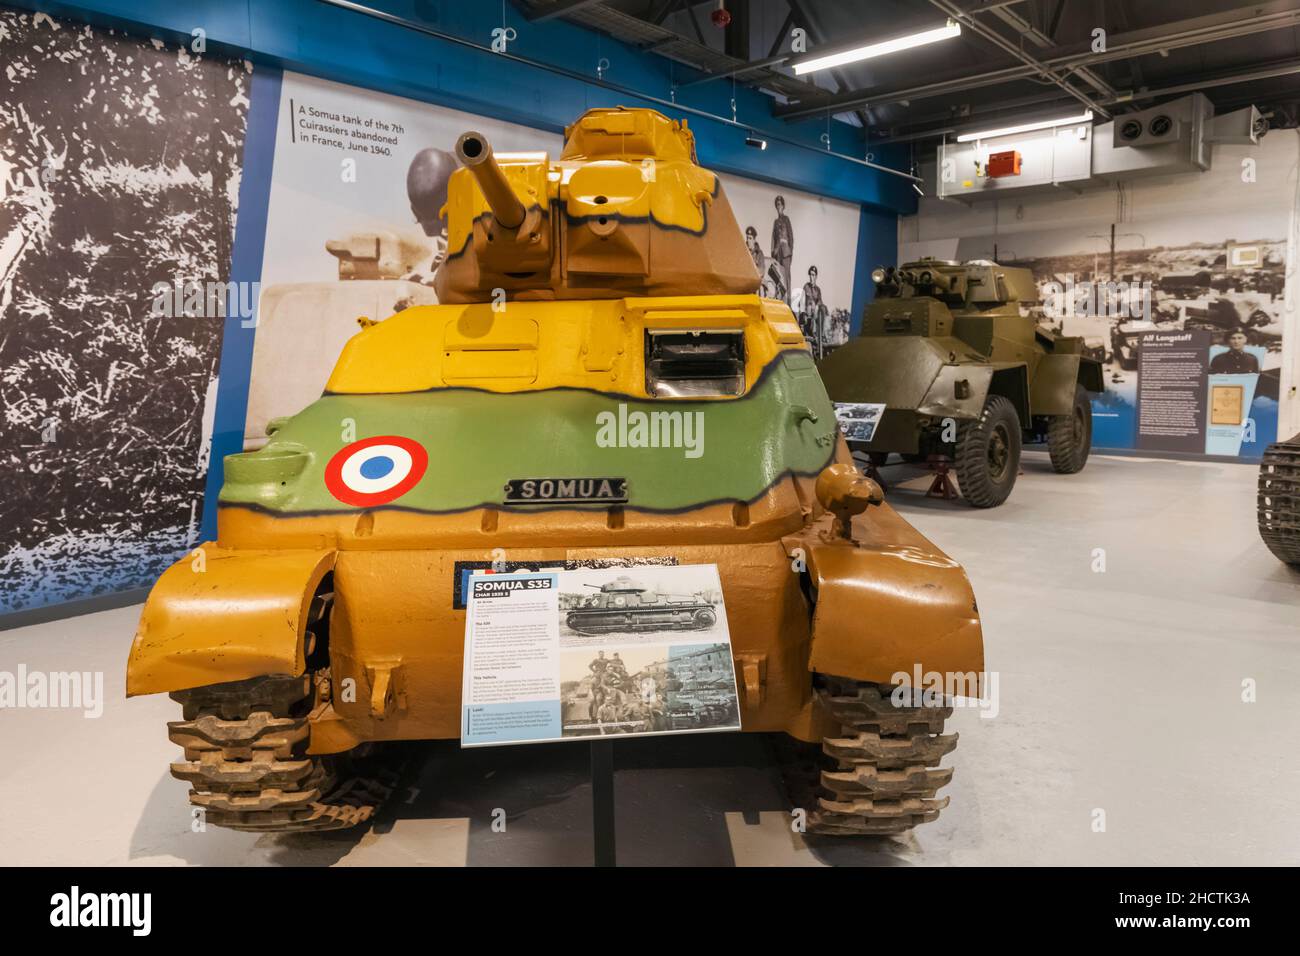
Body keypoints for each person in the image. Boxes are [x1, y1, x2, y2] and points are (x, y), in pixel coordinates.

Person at [770, 195, 794, 306]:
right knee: (779, 277)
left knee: (787, 278)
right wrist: (772, 253)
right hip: (777, 253)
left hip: (785, 253)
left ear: (783, 206)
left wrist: (790, 252)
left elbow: (791, 237)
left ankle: (788, 303)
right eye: (777, 205)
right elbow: (773, 239)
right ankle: (780, 301)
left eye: (780, 205)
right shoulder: (775, 222)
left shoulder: (787, 219)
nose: (778, 207)